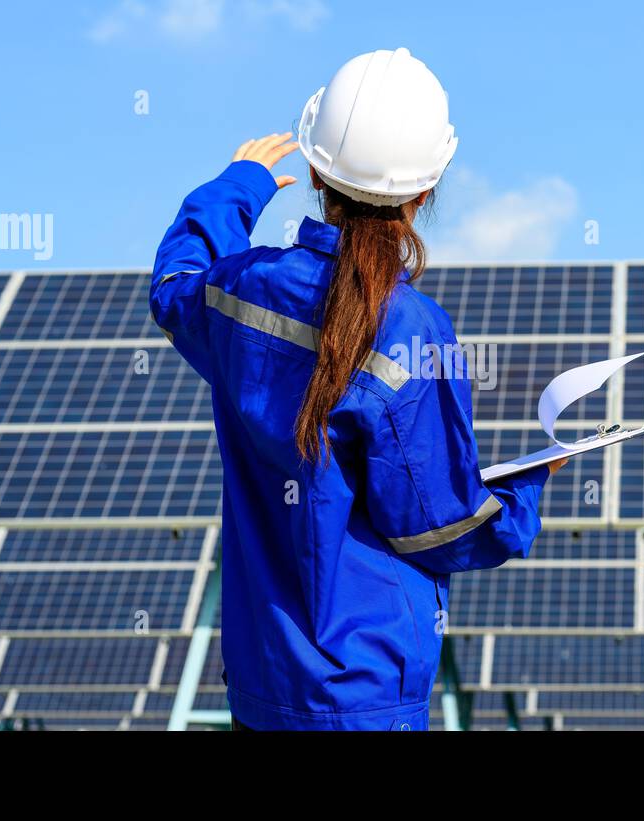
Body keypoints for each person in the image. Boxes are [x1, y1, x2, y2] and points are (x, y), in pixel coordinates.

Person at [150, 48, 564, 731]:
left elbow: (174, 288)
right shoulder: (413, 332)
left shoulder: (240, 294)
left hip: (262, 686)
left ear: (315, 172)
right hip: (369, 700)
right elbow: (439, 527)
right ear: (425, 192)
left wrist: (239, 185)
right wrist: (525, 490)